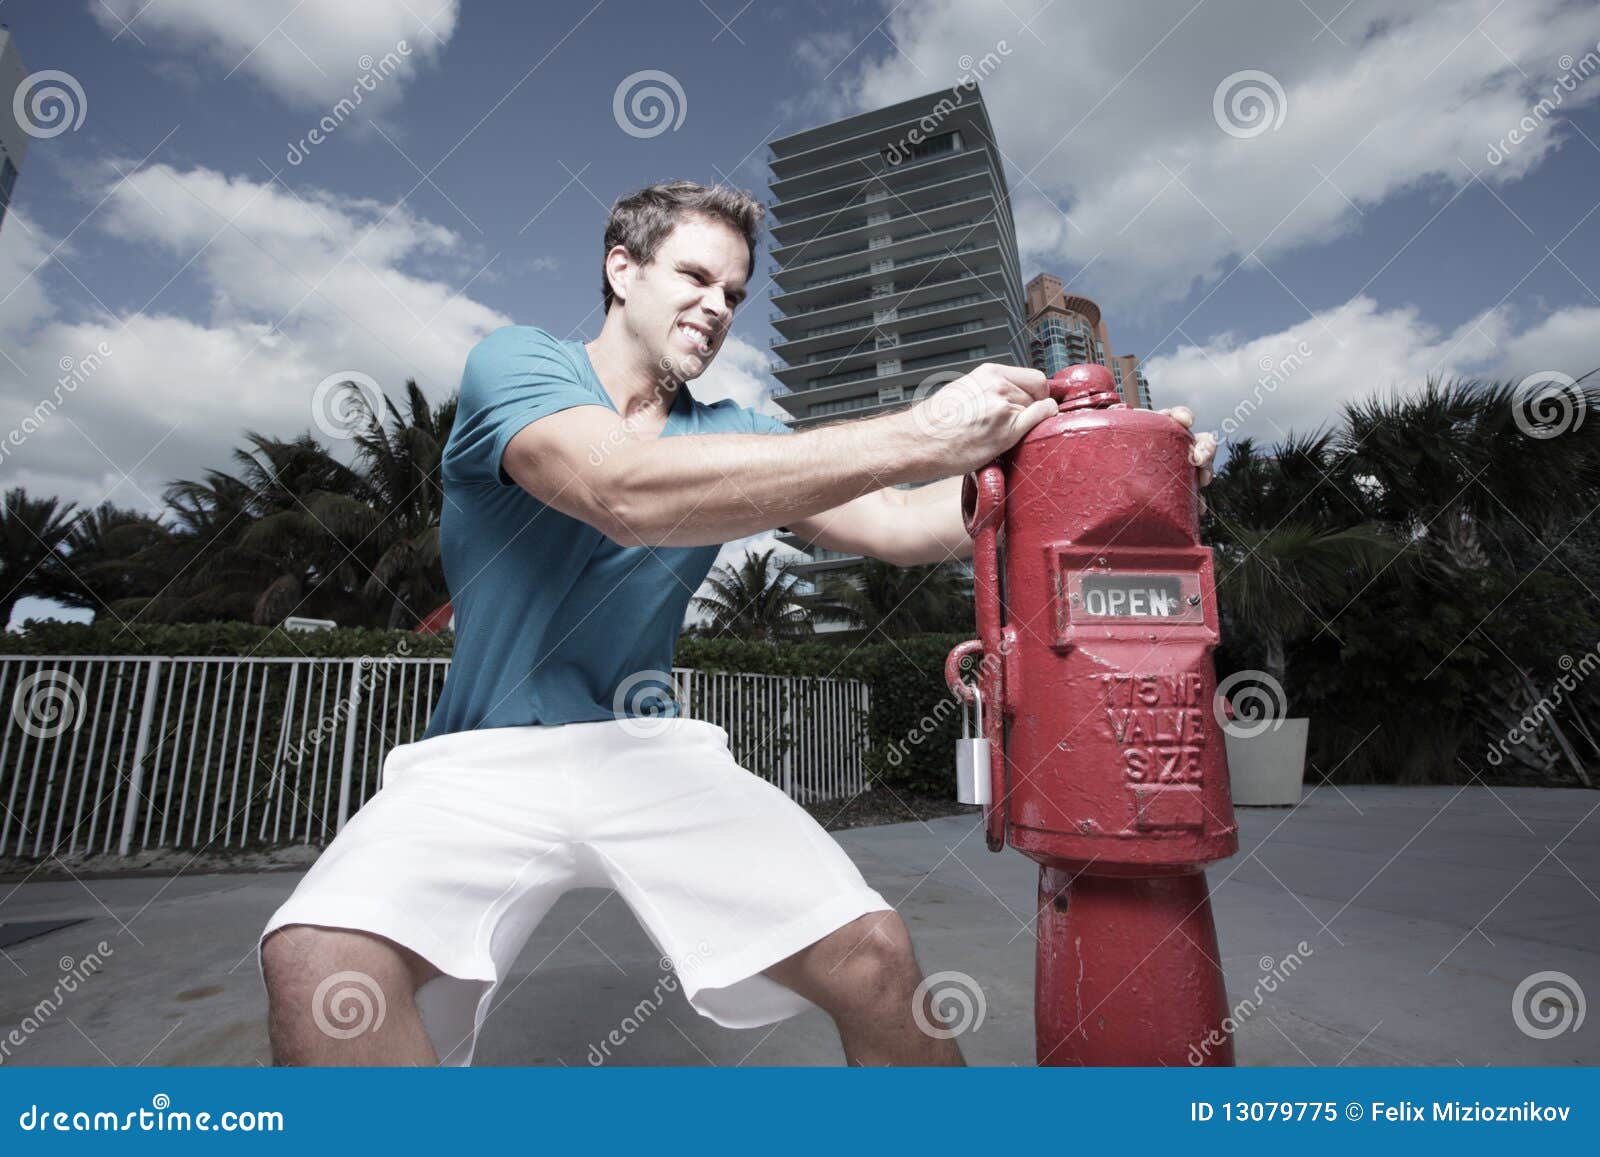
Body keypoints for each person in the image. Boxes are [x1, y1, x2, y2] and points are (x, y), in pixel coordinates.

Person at [257, 179, 1218, 1066]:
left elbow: (895, 522)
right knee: (317, 960)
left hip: (646, 749)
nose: (718, 306)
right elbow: (616, 489)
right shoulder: (518, 365)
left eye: (735, 293)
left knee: (876, 958)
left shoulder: (737, 435)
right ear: (620, 269)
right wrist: (924, 430)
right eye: (695, 276)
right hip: (483, 757)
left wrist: (1109, 479)